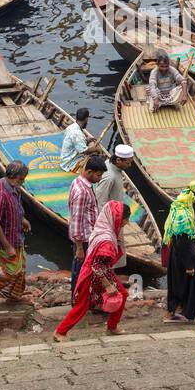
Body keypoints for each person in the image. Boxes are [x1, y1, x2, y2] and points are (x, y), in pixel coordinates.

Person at [55, 200, 129, 341]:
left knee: (122, 294)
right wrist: (107, 285)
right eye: (125, 219)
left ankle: (112, 327)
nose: (126, 223)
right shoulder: (107, 241)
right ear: (117, 219)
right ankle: (60, 332)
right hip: (93, 275)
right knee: (82, 305)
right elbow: (96, 267)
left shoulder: (101, 229)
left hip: (104, 272)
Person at [163, 183, 195, 324]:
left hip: (181, 252)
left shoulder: (184, 203)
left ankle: (180, 312)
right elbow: (182, 241)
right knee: (193, 283)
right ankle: (171, 314)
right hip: (181, 255)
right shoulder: (183, 214)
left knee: (184, 284)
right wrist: (189, 264)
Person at [0, 161, 32, 302]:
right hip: (3, 240)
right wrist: (7, 246)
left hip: (15, 234)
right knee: (12, 270)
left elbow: (16, 206)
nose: (23, 182)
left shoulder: (14, 187)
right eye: (21, 179)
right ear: (12, 176)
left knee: (21, 265)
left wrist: (22, 219)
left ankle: (14, 295)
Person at [67, 155, 104, 295]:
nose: (100, 179)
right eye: (98, 175)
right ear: (89, 172)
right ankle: (77, 298)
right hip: (83, 239)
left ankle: (81, 296)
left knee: (82, 268)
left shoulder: (78, 182)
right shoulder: (82, 192)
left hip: (87, 236)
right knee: (80, 269)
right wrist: (79, 248)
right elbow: (77, 221)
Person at [93, 145, 133, 210]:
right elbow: (99, 202)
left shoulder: (109, 163)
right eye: (128, 163)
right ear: (118, 160)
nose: (130, 165)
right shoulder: (110, 177)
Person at [59, 107, 95, 172]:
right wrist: (95, 148)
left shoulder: (71, 126)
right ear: (86, 119)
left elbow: (75, 142)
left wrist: (86, 140)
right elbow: (84, 151)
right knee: (92, 162)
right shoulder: (78, 134)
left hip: (64, 159)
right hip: (68, 163)